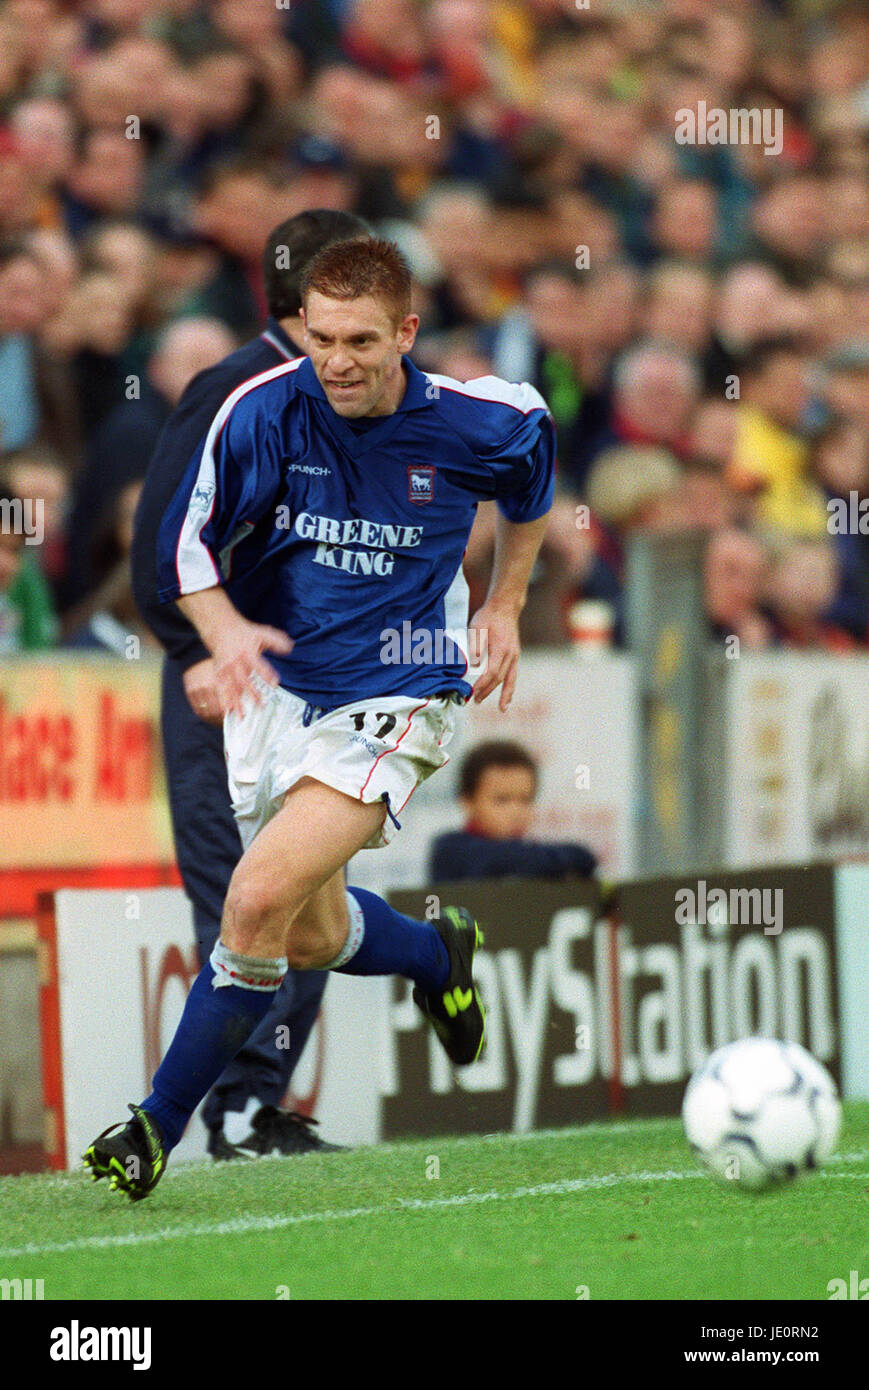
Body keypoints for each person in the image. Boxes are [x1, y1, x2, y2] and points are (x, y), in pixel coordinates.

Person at [84, 235, 554, 1200]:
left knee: (252, 902)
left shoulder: (482, 419)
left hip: (401, 688)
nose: (335, 360)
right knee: (305, 935)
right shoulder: (260, 410)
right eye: (319, 335)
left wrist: (503, 606)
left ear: (406, 334)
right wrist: (223, 637)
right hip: (283, 693)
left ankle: (150, 1132)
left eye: (360, 341)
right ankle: (435, 950)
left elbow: (531, 490)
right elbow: (187, 552)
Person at [129, 209, 371, 1161]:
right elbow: (162, 539)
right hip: (228, 689)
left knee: (306, 888)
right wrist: (193, 654)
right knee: (244, 893)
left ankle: (257, 1104)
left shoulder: (341, 394)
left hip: (318, 683)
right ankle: (237, 1107)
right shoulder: (234, 390)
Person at [430, 740, 597, 881]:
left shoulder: (531, 854)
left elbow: (584, 857)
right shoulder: (450, 849)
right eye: (502, 800)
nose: (516, 811)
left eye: (526, 799)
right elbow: (500, 858)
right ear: (468, 801)